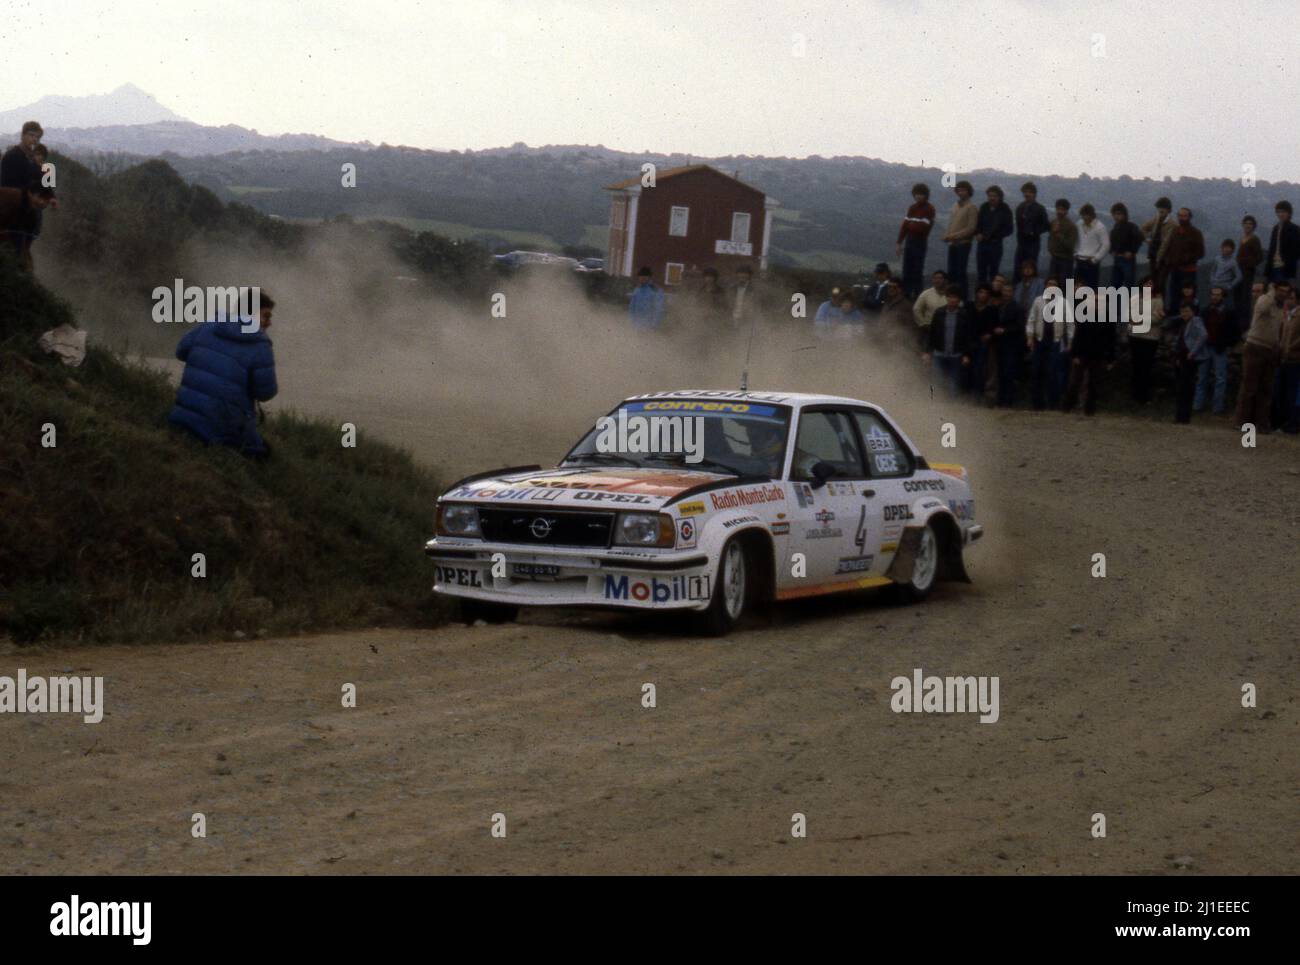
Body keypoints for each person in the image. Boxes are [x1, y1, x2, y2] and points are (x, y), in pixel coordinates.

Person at [168, 293, 278, 458]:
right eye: (266, 316)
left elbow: (181, 351)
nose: (269, 323)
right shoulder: (260, 345)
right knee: (265, 452)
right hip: (223, 429)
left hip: (182, 419)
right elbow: (265, 393)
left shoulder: (209, 325)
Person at [1235, 281, 1289, 431]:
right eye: (1281, 290)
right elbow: (1262, 308)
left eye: (1286, 291)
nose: (1283, 294)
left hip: (1270, 349)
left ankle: (1261, 423)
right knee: (1249, 387)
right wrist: (1271, 293)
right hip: (1255, 346)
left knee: (1266, 388)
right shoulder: (1264, 299)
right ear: (1275, 290)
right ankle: (1243, 421)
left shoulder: (1280, 308)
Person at [1062, 286, 1116, 416]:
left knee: (1094, 383)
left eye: (1100, 300)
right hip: (1082, 353)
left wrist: (1111, 358)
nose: (1097, 303)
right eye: (1095, 300)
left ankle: (1090, 410)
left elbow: (1111, 339)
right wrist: (1074, 354)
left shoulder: (1109, 317)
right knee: (1075, 382)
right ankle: (1067, 407)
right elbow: (1078, 335)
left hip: (1098, 354)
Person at [1027, 277, 1070, 410]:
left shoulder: (1063, 303)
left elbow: (1070, 324)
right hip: (1039, 340)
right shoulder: (1038, 301)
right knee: (1036, 372)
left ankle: (1053, 404)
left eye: (1054, 285)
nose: (1051, 287)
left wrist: (1070, 342)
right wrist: (1030, 337)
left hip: (1055, 341)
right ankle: (1037, 404)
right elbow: (1031, 320)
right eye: (1049, 284)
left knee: (1052, 372)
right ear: (1045, 286)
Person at [923, 286, 974, 397]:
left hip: (956, 354)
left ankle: (951, 405)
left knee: (953, 385)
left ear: (959, 300)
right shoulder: (939, 313)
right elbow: (932, 333)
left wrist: (967, 355)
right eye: (950, 297)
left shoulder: (964, 315)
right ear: (946, 298)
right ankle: (936, 403)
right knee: (937, 382)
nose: (952, 300)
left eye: (955, 297)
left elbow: (968, 336)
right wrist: (927, 352)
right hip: (939, 353)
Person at [1195, 286, 1239, 415]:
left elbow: (1235, 330)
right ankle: (1198, 405)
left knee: (1220, 378)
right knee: (1202, 377)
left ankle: (1217, 407)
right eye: (1213, 294)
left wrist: (1227, 343)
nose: (1215, 297)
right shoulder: (1205, 311)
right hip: (1205, 347)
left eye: (1218, 295)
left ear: (1222, 297)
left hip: (1220, 348)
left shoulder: (1229, 312)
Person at [0, 180, 55, 272]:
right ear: (30, 193)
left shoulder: (32, 214)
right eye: (40, 197)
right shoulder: (12, 197)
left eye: (46, 200)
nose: (42, 202)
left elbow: (25, 244)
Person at [1159, 207, 1205, 314]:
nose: (1181, 218)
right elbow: (1169, 247)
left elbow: (1201, 252)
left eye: (1184, 216)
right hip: (1175, 269)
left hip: (1189, 271)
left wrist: (1186, 259)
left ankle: (1189, 317)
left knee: (1188, 296)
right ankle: (1174, 316)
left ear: (1189, 217)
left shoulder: (1196, 233)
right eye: (1180, 215)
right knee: (1174, 294)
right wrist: (1168, 260)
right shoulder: (1175, 231)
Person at [1127, 275, 1164, 405]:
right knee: (1136, 366)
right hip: (1135, 336)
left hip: (1150, 338)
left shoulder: (1158, 301)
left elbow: (1157, 318)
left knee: (1146, 367)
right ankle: (1134, 395)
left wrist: (1140, 319)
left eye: (1151, 284)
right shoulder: (1135, 299)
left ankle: (1144, 396)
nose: (1148, 286)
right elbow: (1130, 314)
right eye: (1146, 283)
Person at [896, 182, 936, 299]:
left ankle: (918, 296)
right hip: (909, 241)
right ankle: (906, 295)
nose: (918, 196)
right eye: (916, 194)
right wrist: (899, 242)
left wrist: (911, 225)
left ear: (926, 195)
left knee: (917, 270)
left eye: (921, 194)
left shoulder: (930, 209)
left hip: (920, 242)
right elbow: (905, 226)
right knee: (907, 269)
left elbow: (923, 228)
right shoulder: (912, 208)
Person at [991, 282, 1026, 406]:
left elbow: (1020, 327)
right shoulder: (998, 306)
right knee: (1000, 373)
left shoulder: (1018, 308)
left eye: (1009, 291)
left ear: (1013, 292)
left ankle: (1008, 401)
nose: (1006, 293)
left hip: (1012, 345)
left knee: (1009, 373)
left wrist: (1005, 330)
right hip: (999, 345)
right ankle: (1000, 400)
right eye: (1004, 291)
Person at [1173, 302, 1208, 424]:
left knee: (1186, 387)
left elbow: (1203, 335)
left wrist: (1193, 352)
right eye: (1183, 311)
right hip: (1181, 356)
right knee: (1181, 387)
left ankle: (1184, 416)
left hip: (1189, 358)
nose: (1184, 314)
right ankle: (1180, 415)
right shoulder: (1183, 323)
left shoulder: (1196, 321)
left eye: (1187, 311)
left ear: (1192, 312)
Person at [942, 180, 977, 297]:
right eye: (959, 190)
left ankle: (963, 297)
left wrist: (953, 236)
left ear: (969, 192)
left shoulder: (971, 207)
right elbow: (951, 223)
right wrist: (946, 234)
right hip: (952, 244)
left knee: (961, 272)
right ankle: (951, 297)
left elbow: (971, 228)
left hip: (963, 244)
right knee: (951, 272)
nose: (961, 192)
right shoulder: (955, 206)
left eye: (964, 190)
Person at [975, 185, 1013, 285]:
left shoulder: (1005, 209)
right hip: (982, 245)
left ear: (999, 197)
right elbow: (978, 223)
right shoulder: (984, 207)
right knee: (981, 271)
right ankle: (981, 291)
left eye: (994, 196)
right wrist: (978, 233)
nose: (992, 198)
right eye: (990, 196)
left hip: (995, 245)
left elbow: (1009, 229)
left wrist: (996, 236)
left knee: (993, 272)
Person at [1014, 181, 1049, 276]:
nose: (1027, 194)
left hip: (1033, 244)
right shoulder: (1020, 208)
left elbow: (1046, 225)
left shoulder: (1040, 208)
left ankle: (1033, 287)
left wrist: (1034, 232)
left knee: (1031, 268)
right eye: (1025, 192)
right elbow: (1018, 225)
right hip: (1021, 243)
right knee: (1018, 268)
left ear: (1034, 194)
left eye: (1029, 192)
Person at [1141, 197, 1174, 287]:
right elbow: (1143, 228)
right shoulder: (1156, 219)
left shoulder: (1172, 224)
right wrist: (1147, 239)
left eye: (1163, 208)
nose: (1161, 210)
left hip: (1164, 258)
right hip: (1153, 254)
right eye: (1159, 208)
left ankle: (1160, 296)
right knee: (1153, 281)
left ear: (1168, 210)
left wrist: (1158, 259)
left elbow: (1165, 244)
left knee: (1161, 282)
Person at [1108, 203, 1143, 290]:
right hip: (1117, 259)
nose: (1116, 216)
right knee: (1115, 285)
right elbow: (1112, 241)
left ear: (1124, 214)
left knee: (1129, 285)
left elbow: (1139, 239)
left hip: (1128, 261)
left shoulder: (1131, 227)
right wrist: (1112, 251)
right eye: (1114, 214)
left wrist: (1132, 251)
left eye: (1119, 214)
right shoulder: (1115, 228)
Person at [1074, 204, 1110, 288]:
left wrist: (1096, 259)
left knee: (1091, 287)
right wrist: (1075, 253)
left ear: (1092, 215)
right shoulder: (1079, 224)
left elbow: (1106, 244)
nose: (1085, 217)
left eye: (1087, 215)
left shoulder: (1100, 227)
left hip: (1091, 261)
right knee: (1076, 286)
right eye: (1083, 215)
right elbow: (1074, 238)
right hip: (1079, 259)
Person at [1264, 200, 1300, 283]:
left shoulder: (1294, 229)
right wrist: (1267, 271)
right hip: (1273, 267)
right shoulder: (1276, 228)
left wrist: (1286, 261)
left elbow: (1297, 251)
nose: (1280, 214)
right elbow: (1271, 250)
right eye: (1278, 212)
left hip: (1285, 269)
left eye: (1283, 212)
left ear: (1289, 213)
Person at [0, 121, 43, 190]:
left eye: (38, 137)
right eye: (31, 135)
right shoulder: (12, 157)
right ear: (22, 136)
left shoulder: (32, 158)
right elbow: (9, 188)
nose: (35, 139)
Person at [1279, 294, 1300, 433]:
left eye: (1291, 298)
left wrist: (1291, 347)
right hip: (1285, 358)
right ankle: (1285, 420)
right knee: (1285, 391)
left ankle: (1293, 423)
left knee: (1293, 392)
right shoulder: (1288, 315)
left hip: (1295, 358)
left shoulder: (1296, 316)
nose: (1287, 300)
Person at [912, 269, 948, 345]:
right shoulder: (926, 294)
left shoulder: (951, 294)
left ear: (945, 280)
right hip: (929, 330)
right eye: (935, 278)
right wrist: (923, 324)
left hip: (947, 329)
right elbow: (916, 309)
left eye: (940, 278)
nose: (937, 280)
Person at [1046, 199, 1078, 283]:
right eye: (1058, 209)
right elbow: (1051, 238)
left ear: (1066, 211)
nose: (1059, 211)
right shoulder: (1053, 222)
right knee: (1052, 284)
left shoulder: (1071, 226)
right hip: (1054, 258)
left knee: (1065, 285)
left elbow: (1070, 245)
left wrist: (1058, 235)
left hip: (1066, 261)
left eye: (1062, 209)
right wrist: (1050, 248)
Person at [1208, 239, 1243, 309]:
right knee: (1213, 306)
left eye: (1229, 247)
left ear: (1232, 250)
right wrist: (1212, 280)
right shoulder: (1217, 259)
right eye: (1225, 247)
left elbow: (1239, 276)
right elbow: (1212, 271)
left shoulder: (1233, 262)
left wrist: (1230, 286)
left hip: (1225, 288)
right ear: (1222, 248)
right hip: (1214, 286)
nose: (1226, 249)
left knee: (1226, 307)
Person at [1237, 215, 1263, 304]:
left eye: (1250, 224)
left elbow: (1259, 257)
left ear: (1254, 226)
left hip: (1248, 272)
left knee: (1246, 294)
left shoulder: (1255, 240)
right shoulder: (1242, 238)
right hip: (1239, 270)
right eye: (1246, 223)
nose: (1248, 225)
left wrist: (1248, 263)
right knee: (1239, 293)